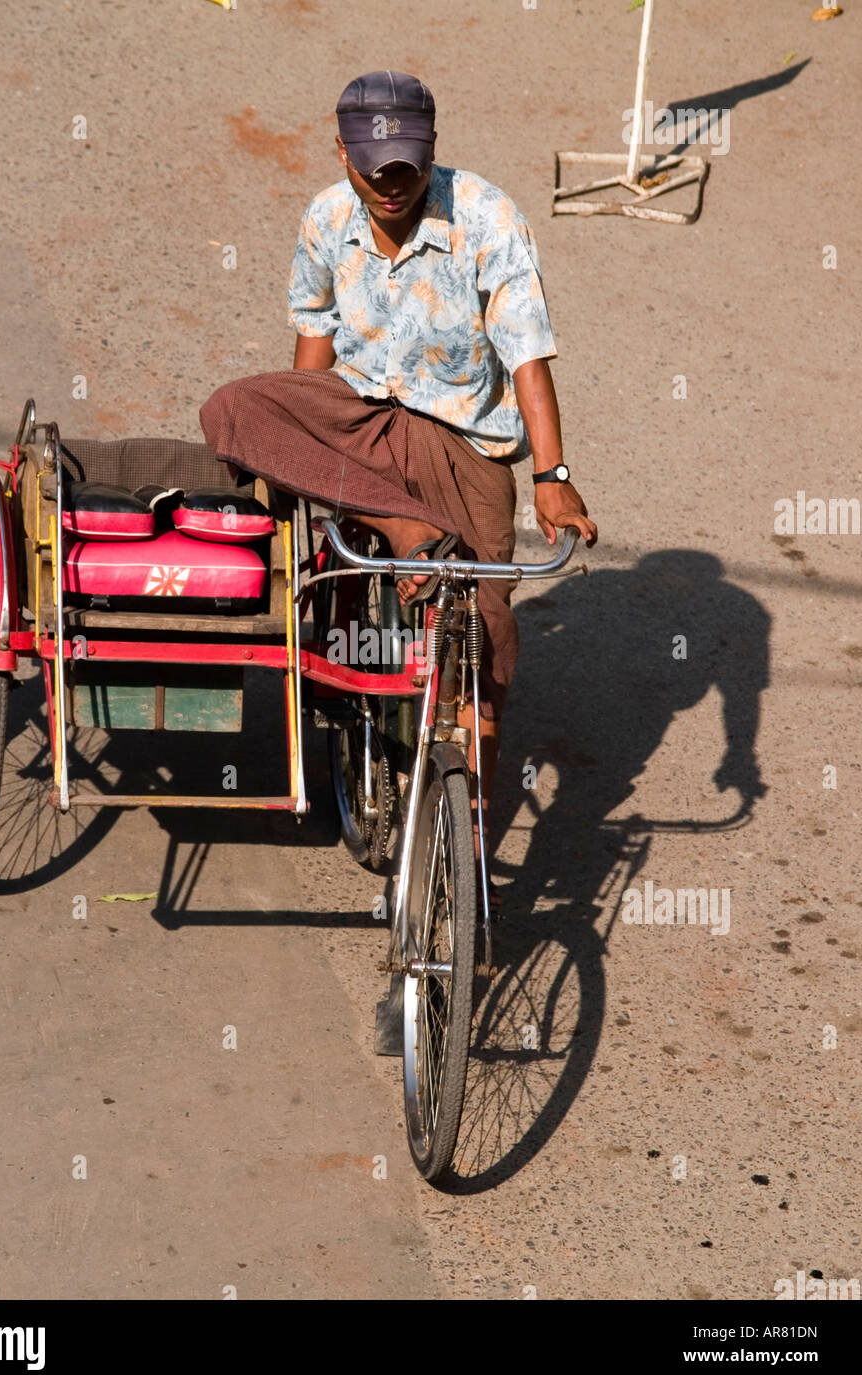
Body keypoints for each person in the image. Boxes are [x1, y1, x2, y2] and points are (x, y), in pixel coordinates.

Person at [200, 70, 598, 878]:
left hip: (460, 448)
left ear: (432, 152)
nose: (392, 188)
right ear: (343, 151)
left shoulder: (487, 218)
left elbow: (526, 356)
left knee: (479, 650)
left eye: (407, 171)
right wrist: (293, 450)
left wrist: (552, 473)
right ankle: (401, 528)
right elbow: (313, 341)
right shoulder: (325, 218)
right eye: (374, 170)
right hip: (358, 423)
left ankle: (465, 847)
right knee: (232, 410)